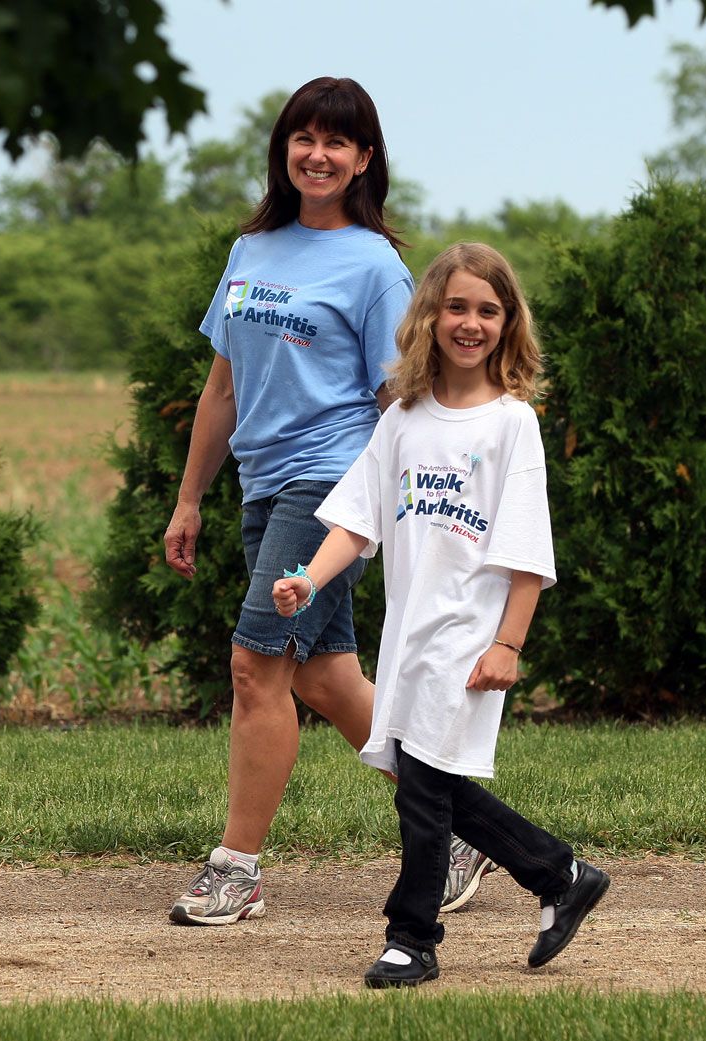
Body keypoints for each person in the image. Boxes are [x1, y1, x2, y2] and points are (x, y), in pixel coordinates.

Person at [164, 78, 492, 926]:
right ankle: (458, 829)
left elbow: (400, 397)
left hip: (330, 483)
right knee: (325, 675)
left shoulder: (376, 265)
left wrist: (412, 507)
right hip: (261, 484)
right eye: (304, 138)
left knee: (255, 665)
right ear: (285, 149)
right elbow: (223, 386)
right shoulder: (253, 250)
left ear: (363, 160)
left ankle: (236, 869)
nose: (318, 154)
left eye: (337, 142)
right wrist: (189, 497)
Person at [272, 243, 611, 986]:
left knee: (424, 788)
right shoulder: (404, 420)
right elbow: (358, 520)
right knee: (429, 776)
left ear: (508, 322)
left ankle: (413, 937)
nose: (471, 322)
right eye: (457, 306)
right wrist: (308, 577)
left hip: (467, 634)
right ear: (431, 315)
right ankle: (560, 873)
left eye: (488, 310)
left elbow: (527, 549)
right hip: (409, 632)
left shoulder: (511, 423)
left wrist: (508, 643)